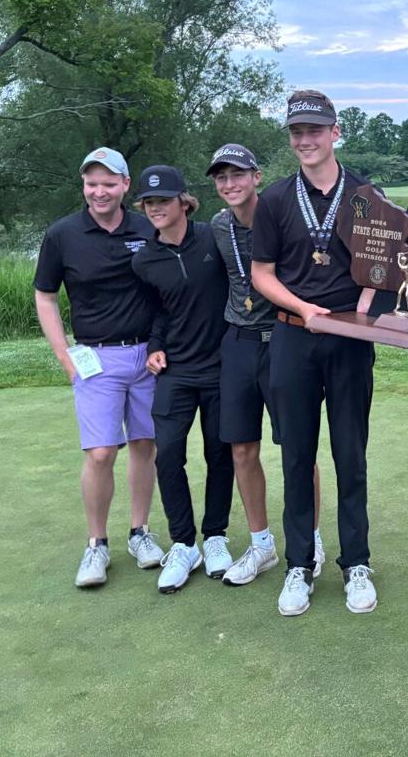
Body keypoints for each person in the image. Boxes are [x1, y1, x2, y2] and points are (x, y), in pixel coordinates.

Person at [251, 90, 377, 617]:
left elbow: (380, 268)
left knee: (350, 454)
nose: (305, 140)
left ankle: (357, 563)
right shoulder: (276, 199)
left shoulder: (366, 195)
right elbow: (262, 273)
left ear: (335, 133)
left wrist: (357, 316)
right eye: (297, 132)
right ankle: (299, 565)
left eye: (315, 130)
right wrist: (305, 310)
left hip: (349, 342)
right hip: (292, 337)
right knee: (297, 456)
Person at [34, 147, 164, 589]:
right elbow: (46, 296)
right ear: (84, 186)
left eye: (109, 183)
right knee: (101, 452)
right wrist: (63, 356)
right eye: (92, 183)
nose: (99, 191)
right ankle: (96, 544)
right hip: (95, 357)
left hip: (148, 354)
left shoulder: (148, 227)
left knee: (146, 444)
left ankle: (140, 532)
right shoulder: (63, 234)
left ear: (126, 185)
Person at [206, 144, 324, 587]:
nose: (230, 185)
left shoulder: (280, 215)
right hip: (238, 341)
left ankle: (309, 540)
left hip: (283, 339)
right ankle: (262, 544)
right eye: (221, 178)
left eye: (238, 175)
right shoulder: (218, 226)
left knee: (297, 447)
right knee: (241, 447)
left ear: (257, 177)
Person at [130, 165, 235, 594]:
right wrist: (155, 346)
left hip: (222, 367)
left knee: (220, 452)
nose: (155, 208)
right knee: (168, 454)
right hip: (175, 370)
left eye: (163, 201)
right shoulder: (144, 259)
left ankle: (214, 537)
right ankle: (183, 543)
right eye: (149, 203)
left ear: (183, 202)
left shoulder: (214, 237)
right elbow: (158, 311)